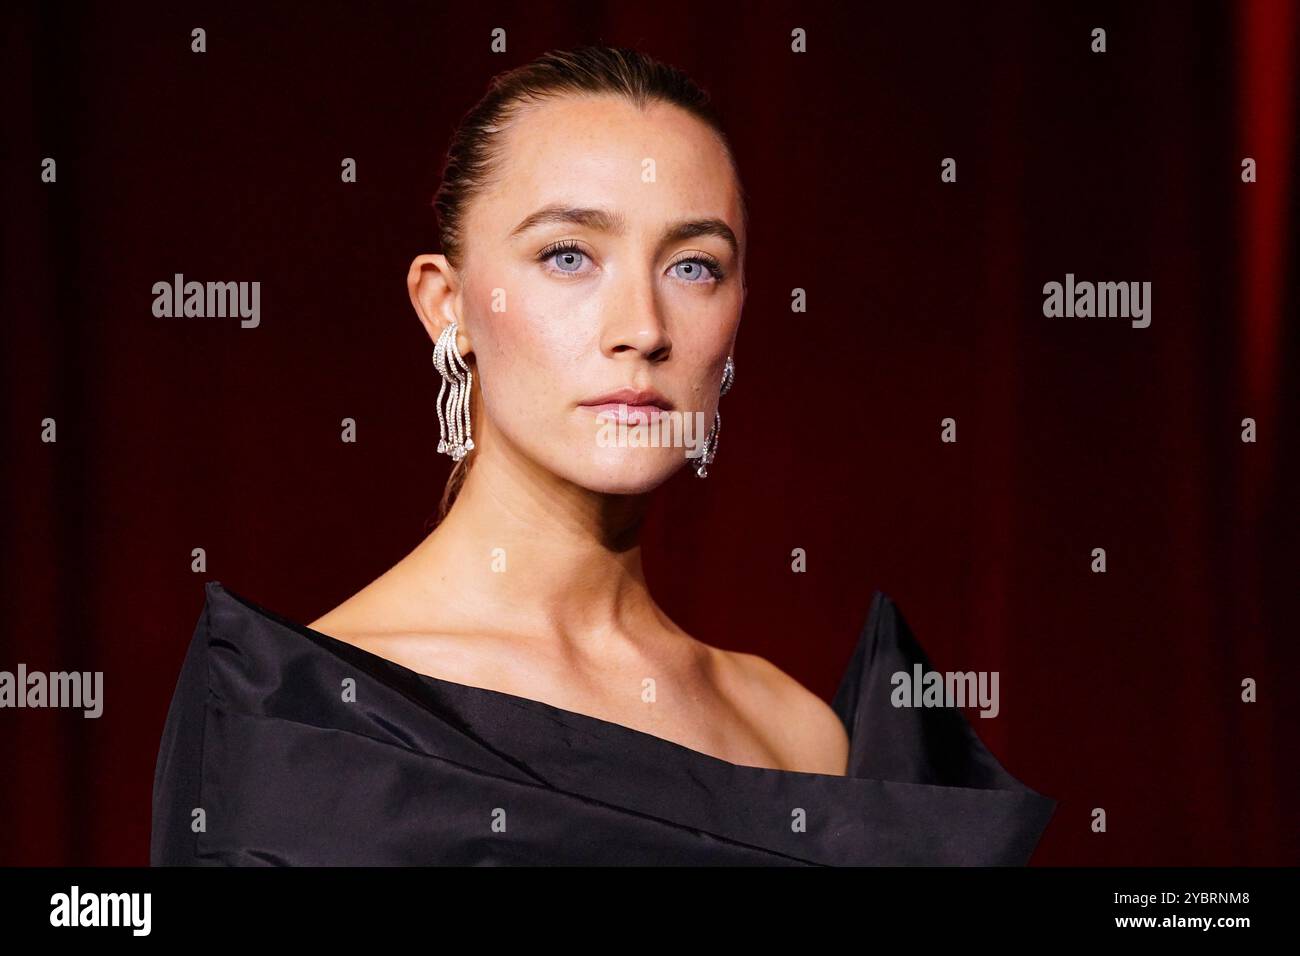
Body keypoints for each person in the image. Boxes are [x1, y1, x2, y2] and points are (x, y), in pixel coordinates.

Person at [150, 45, 1056, 866]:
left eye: (693, 265)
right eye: (569, 255)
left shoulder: (794, 733)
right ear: (447, 305)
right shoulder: (305, 719)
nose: (643, 330)